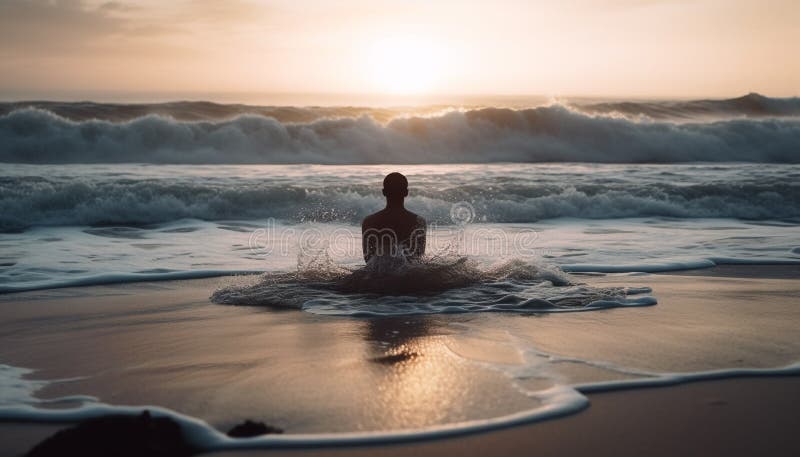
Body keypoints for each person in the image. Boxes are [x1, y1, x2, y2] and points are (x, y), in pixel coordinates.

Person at [361, 172, 426, 262]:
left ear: (384, 192)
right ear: (406, 192)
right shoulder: (418, 222)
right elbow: (419, 258)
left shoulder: (369, 222)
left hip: (377, 275)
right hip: (409, 275)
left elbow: (368, 259)